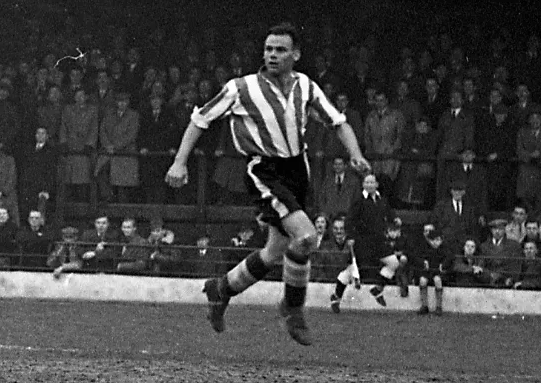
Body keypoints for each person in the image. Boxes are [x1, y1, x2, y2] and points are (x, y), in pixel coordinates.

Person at [167, 23, 371, 346]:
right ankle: (292, 308)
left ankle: (221, 289)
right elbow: (200, 120)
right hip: (264, 171)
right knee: (305, 237)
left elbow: (339, 123)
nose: (273, 55)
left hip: (297, 169)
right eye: (268, 49)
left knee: (276, 249)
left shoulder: (306, 86)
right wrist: (179, 162)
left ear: (296, 54)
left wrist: (356, 155)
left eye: (280, 50)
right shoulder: (241, 88)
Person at [346, 172, 407, 304]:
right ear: (363, 185)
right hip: (364, 241)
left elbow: (388, 212)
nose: (369, 185)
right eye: (366, 182)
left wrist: (395, 218)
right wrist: (350, 236)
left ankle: (378, 288)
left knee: (394, 263)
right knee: (351, 269)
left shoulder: (382, 199)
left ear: (377, 185)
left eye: (372, 182)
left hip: (379, 240)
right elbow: (350, 219)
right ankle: (337, 295)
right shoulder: (359, 200)